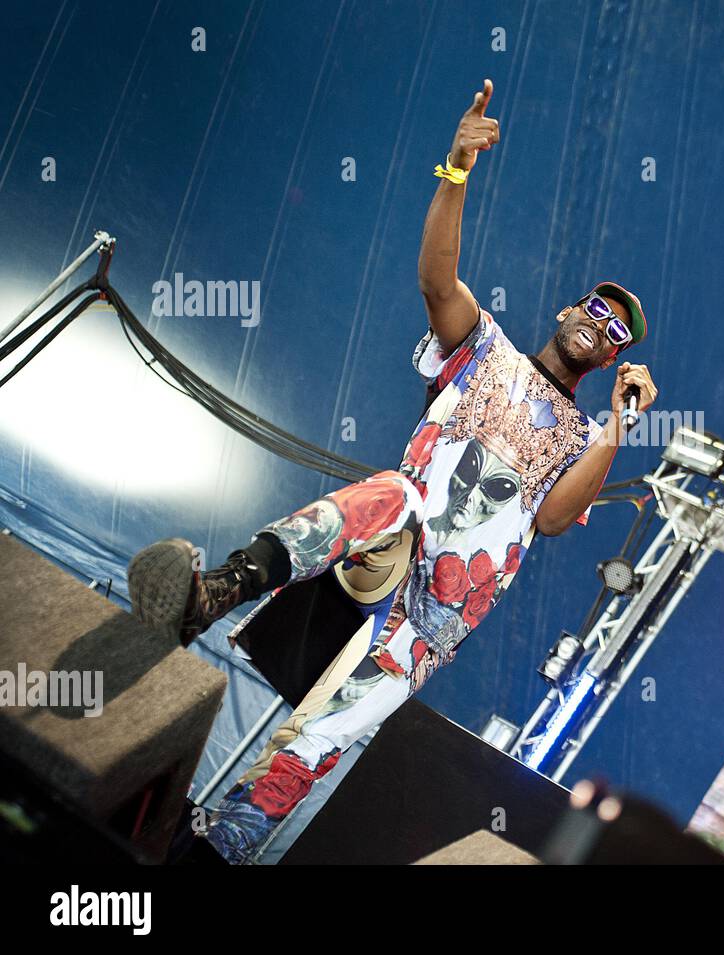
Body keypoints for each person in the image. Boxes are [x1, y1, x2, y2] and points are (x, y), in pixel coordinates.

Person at [127, 77, 657, 863]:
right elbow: (437, 280)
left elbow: (548, 519)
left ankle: (210, 855)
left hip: (451, 601)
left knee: (332, 729)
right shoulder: (488, 348)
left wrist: (619, 424)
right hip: (402, 524)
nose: (603, 325)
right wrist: (455, 168)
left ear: (614, 354)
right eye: (597, 307)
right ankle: (216, 592)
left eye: (618, 330)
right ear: (567, 312)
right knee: (385, 495)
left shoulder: (586, 433)